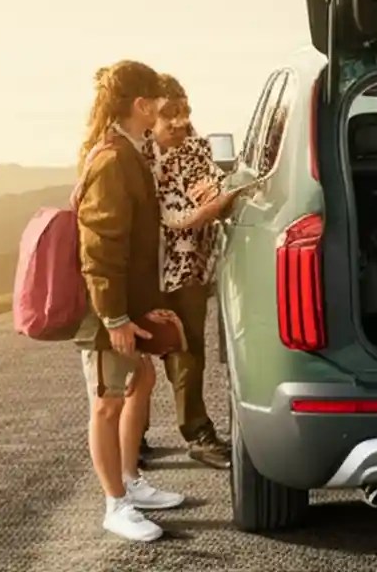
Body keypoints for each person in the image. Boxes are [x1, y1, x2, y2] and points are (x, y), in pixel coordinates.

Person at [75, 60, 185, 542]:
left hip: (125, 305)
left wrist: (144, 307)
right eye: (158, 101)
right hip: (105, 309)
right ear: (142, 105)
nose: (163, 108)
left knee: (140, 379)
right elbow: (100, 245)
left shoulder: (127, 151)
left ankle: (131, 483)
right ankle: (115, 504)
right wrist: (116, 316)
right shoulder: (114, 158)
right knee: (106, 402)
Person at [141, 74, 238, 469]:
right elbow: (172, 217)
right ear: (149, 114)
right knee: (134, 357)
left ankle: (198, 433)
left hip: (187, 271)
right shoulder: (134, 155)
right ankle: (134, 437)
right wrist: (200, 213)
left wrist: (217, 201)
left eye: (185, 111)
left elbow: (215, 195)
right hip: (144, 270)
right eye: (170, 114)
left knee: (187, 349)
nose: (180, 122)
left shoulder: (196, 149)